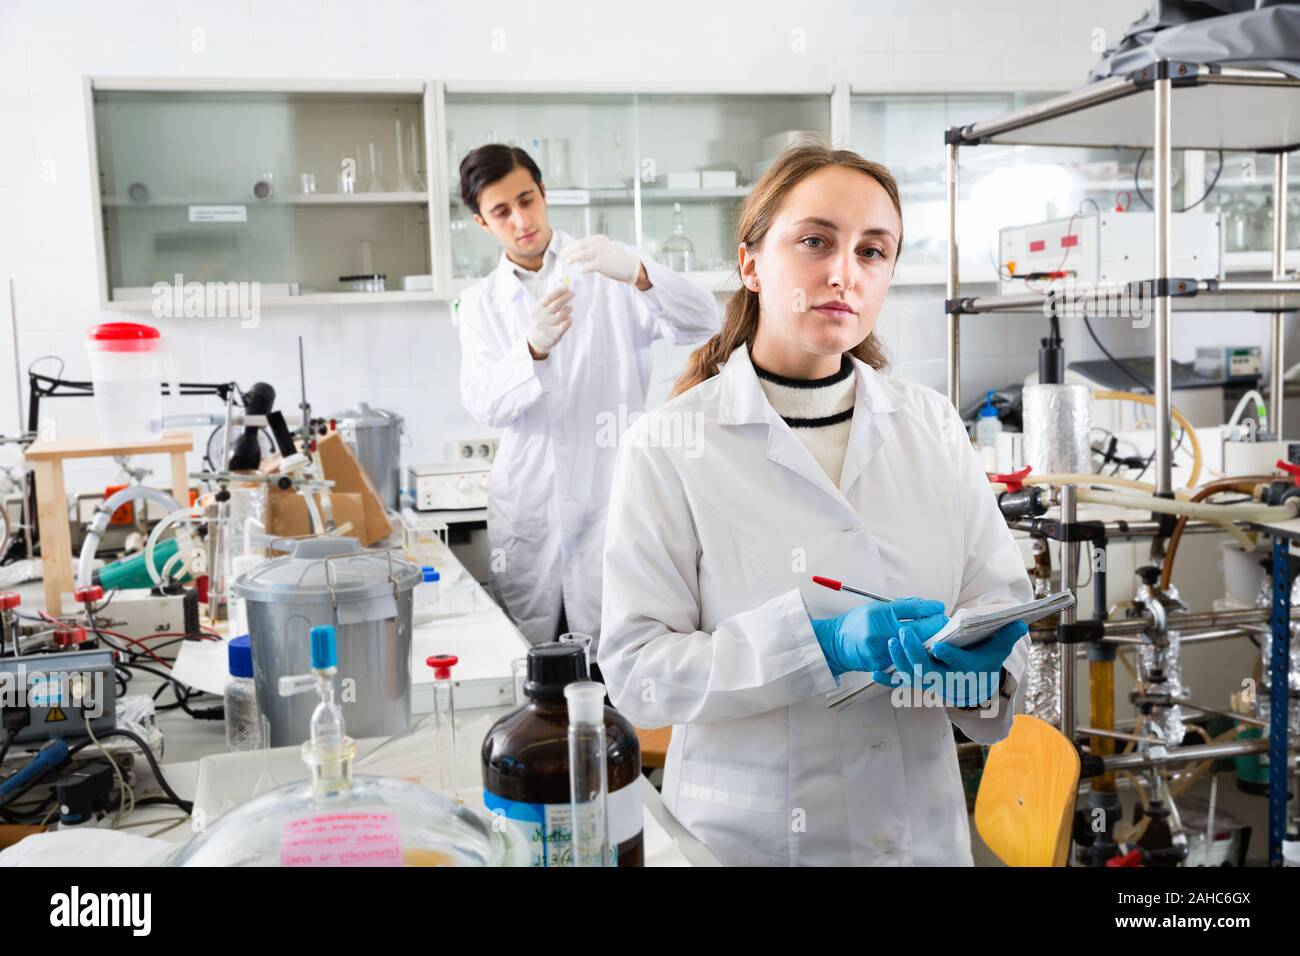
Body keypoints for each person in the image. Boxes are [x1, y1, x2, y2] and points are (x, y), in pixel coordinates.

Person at [597, 143, 1032, 866]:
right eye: (814, 241)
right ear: (751, 264)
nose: (843, 273)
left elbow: (1000, 606)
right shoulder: (671, 442)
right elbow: (640, 672)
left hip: (916, 837)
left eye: (873, 251)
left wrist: (983, 667)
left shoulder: (929, 425)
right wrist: (819, 646)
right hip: (751, 842)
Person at [457, 145, 719, 652]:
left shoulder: (605, 267)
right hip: (531, 509)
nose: (521, 219)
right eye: (501, 212)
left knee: (623, 660)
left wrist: (639, 272)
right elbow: (485, 404)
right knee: (539, 669)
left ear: (544, 194)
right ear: (482, 222)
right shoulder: (479, 305)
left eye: (527, 200)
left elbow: (703, 320)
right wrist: (529, 349)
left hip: (612, 498)